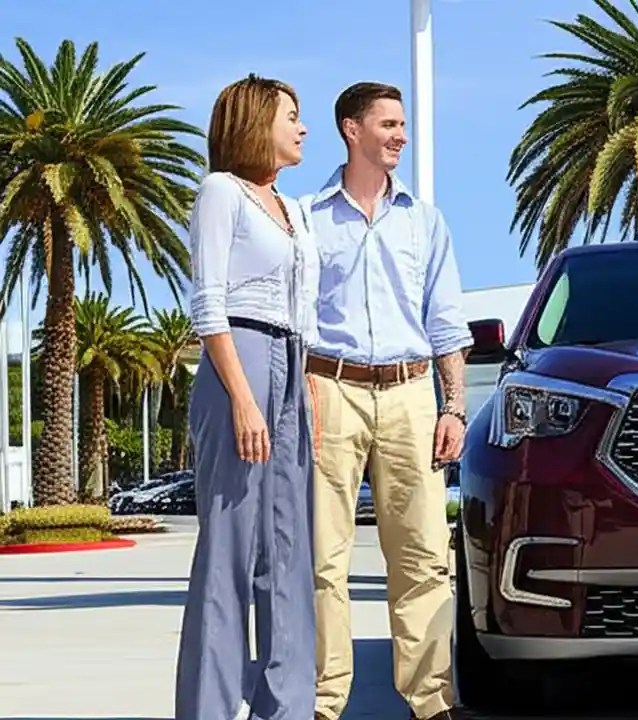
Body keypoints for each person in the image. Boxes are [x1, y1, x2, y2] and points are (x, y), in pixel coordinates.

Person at [301, 81, 472, 720]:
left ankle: (431, 702)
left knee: (425, 555)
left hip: (409, 394)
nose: (400, 135)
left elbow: (446, 323)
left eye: (403, 125)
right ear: (352, 129)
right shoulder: (307, 219)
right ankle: (323, 702)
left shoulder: (424, 221)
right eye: (388, 124)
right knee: (324, 556)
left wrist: (453, 406)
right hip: (329, 388)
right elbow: (295, 320)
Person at [175, 74, 319, 720]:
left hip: (291, 362)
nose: (303, 127)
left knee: (290, 550)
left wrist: (305, 387)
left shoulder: (293, 209)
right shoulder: (220, 193)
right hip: (241, 360)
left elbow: (304, 310)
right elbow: (209, 302)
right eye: (292, 115)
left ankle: (285, 707)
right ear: (256, 121)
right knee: (230, 547)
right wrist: (241, 397)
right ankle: (207, 708)